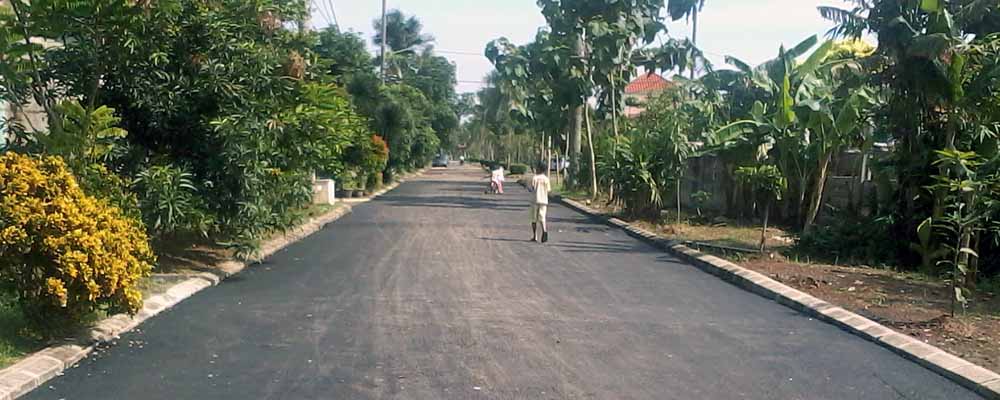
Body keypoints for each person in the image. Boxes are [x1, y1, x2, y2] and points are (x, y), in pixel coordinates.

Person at [529, 162, 551, 243]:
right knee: (542, 217)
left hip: (535, 200)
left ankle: (535, 236)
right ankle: (544, 231)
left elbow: (532, 188)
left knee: (534, 219)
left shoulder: (535, 178)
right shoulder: (546, 179)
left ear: (539, 169)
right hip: (544, 201)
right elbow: (548, 190)